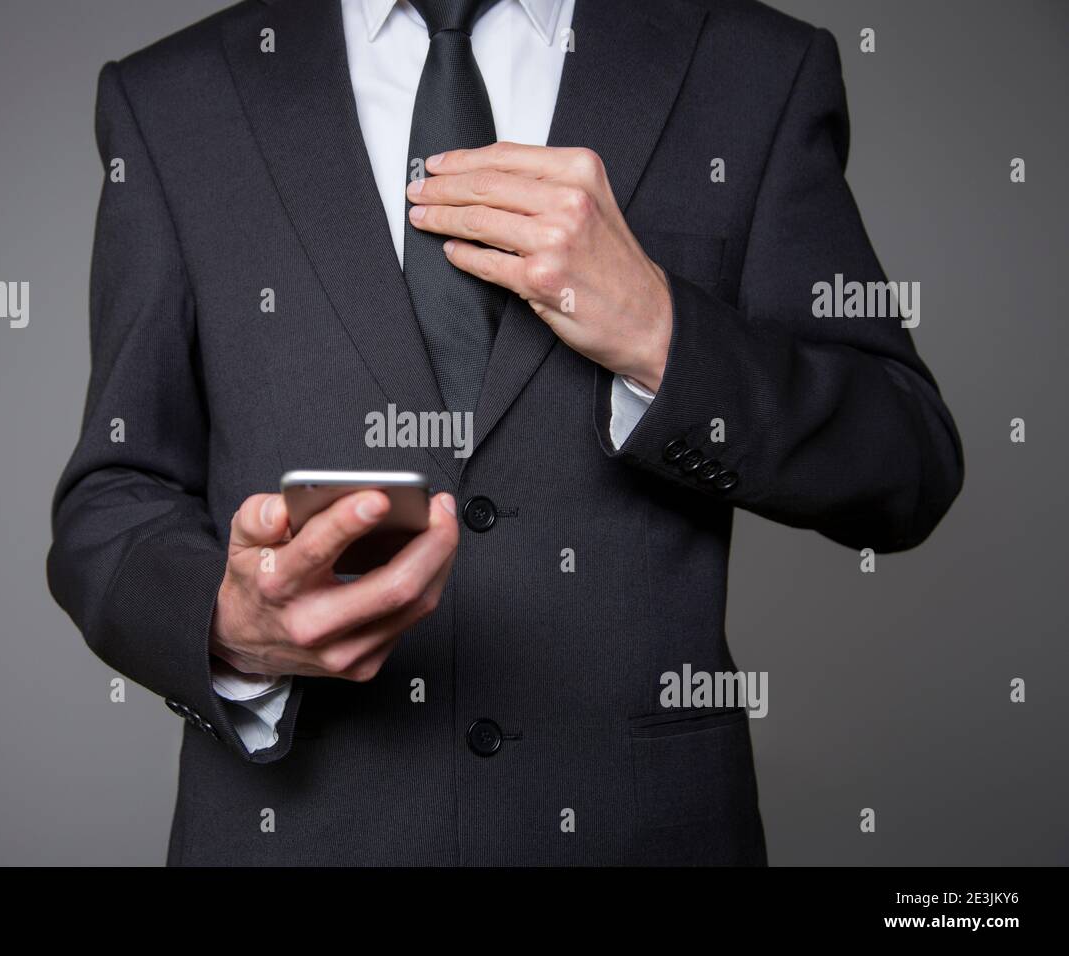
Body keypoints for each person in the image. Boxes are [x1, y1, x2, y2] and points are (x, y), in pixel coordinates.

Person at [47, 0, 963, 865]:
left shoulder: (752, 65)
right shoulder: (174, 96)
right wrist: (230, 624)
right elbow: (112, 498)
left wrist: (661, 331)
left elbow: (906, 463)